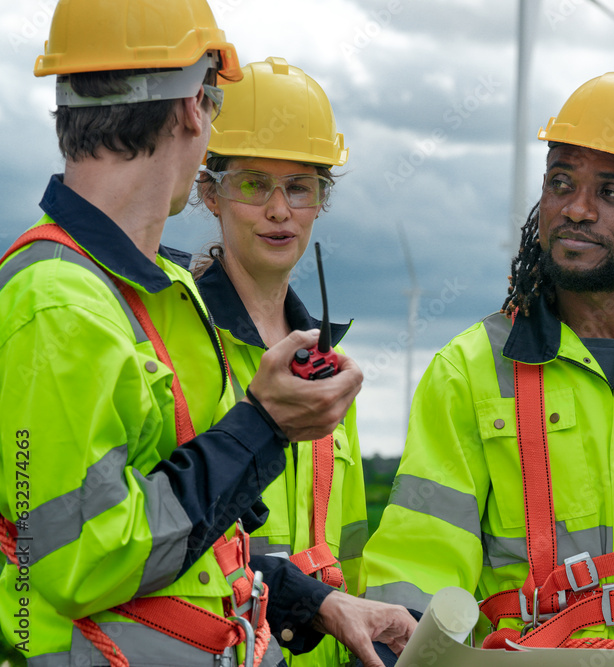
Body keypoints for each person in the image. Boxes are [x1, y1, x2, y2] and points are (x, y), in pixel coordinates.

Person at [0, 2, 410, 665]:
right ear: (194, 106)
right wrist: (262, 425)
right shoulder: (57, 302)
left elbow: (186, 543)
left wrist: (315, 601)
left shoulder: (153, 297)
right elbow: (82, 557)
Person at [359, 68, 614, 663]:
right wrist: (397, 652)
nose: (577, 209)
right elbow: (422, 553)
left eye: (613, 192)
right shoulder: (468, 370)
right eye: (560, 182)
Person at [194, 57, 407, 667]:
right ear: (211, 194)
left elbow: (351, 551)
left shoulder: (331, 369)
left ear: (321, 200)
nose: (280, 210)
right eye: (255, 184)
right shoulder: (177, 344)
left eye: (300, 187)